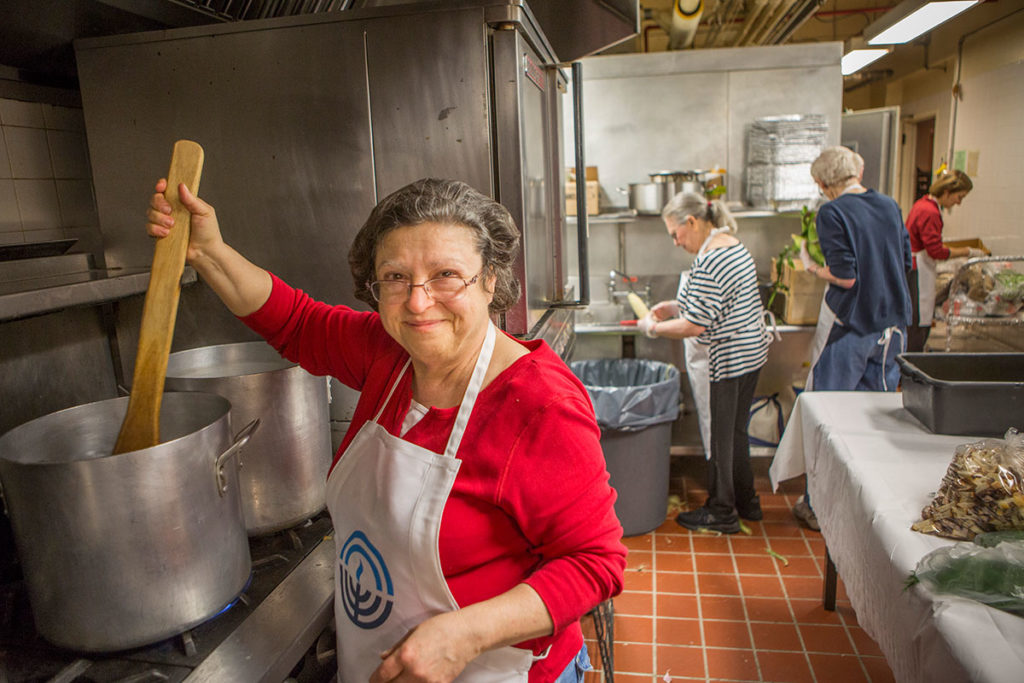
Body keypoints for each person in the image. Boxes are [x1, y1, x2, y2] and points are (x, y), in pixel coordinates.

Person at [145, 176, 626, 682]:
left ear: (490, 280)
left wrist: (463, 635)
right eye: (395, 277)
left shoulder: (541, 406)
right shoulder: (388, 353)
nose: (418, 302)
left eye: (446, 275)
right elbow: (296, 322)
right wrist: (209, 251)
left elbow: (595, 563)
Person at [790, 146, 913, 530]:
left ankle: (817, 506)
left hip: (853, 330)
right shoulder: (889, 205)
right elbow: (906, 261)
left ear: (824, 184)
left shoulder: (833, 211)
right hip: (892, 329)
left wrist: (812, 268)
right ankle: (866, 507)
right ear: (856, 171)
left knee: (828, 418)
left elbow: (846, 276)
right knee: (875, 419)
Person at [637, 192, 770, 534]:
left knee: (720, 438)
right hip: (749, 356)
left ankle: (722, 511)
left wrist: (652, 328)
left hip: (726, 361)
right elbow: (710, 302)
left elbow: (695, 325)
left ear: (692, 222)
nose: (676, 242)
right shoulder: (730, 245)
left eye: (675, 233)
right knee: (736, 433)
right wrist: (673, 305)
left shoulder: (712, 258)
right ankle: (747, 502)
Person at [904, 169, 982, 352]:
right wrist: (968, 252)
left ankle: (909, 361)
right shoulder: (929, 212)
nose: (959, 202)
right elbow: (935, 250)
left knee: (913, 321)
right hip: (917, 271)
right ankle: (910, 366)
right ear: (947, 192)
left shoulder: (923, 204)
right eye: (959, 197)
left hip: (915, 266)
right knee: (917, 322)